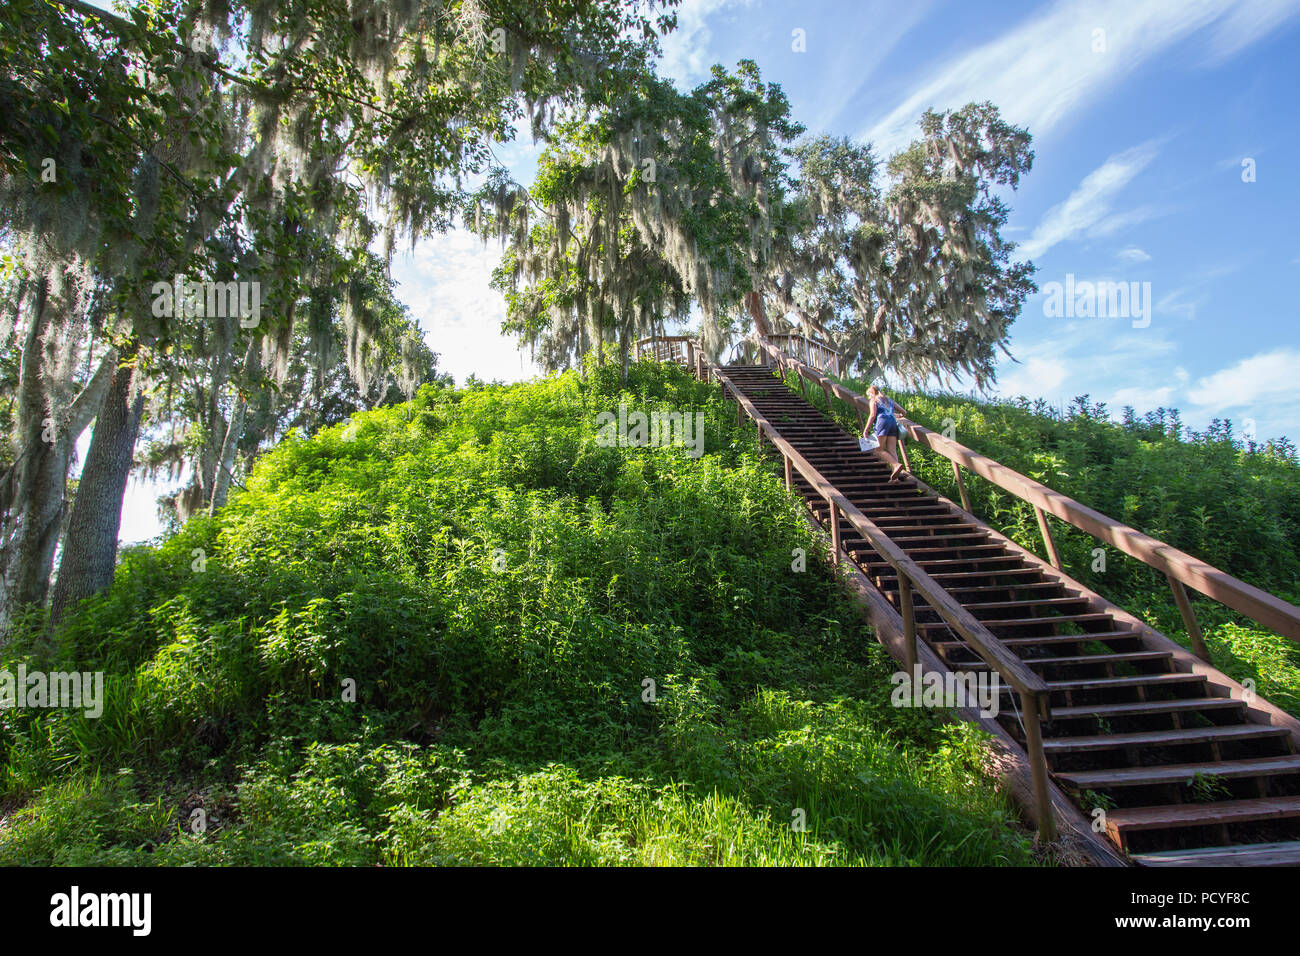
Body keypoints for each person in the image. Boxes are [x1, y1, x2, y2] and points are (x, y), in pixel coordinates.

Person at [863, 385, 908, 482]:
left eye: (869, 395)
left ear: (872, 393)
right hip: (892, 422)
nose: (869, 397)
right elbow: (904, 412)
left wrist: (866, 430)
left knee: (878, 450)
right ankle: (895, 477)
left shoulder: (874, 400)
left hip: (882, 422)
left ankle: (896, 465)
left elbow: (872, 415)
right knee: (892, 450)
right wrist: (897, 415)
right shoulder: (889, 400)